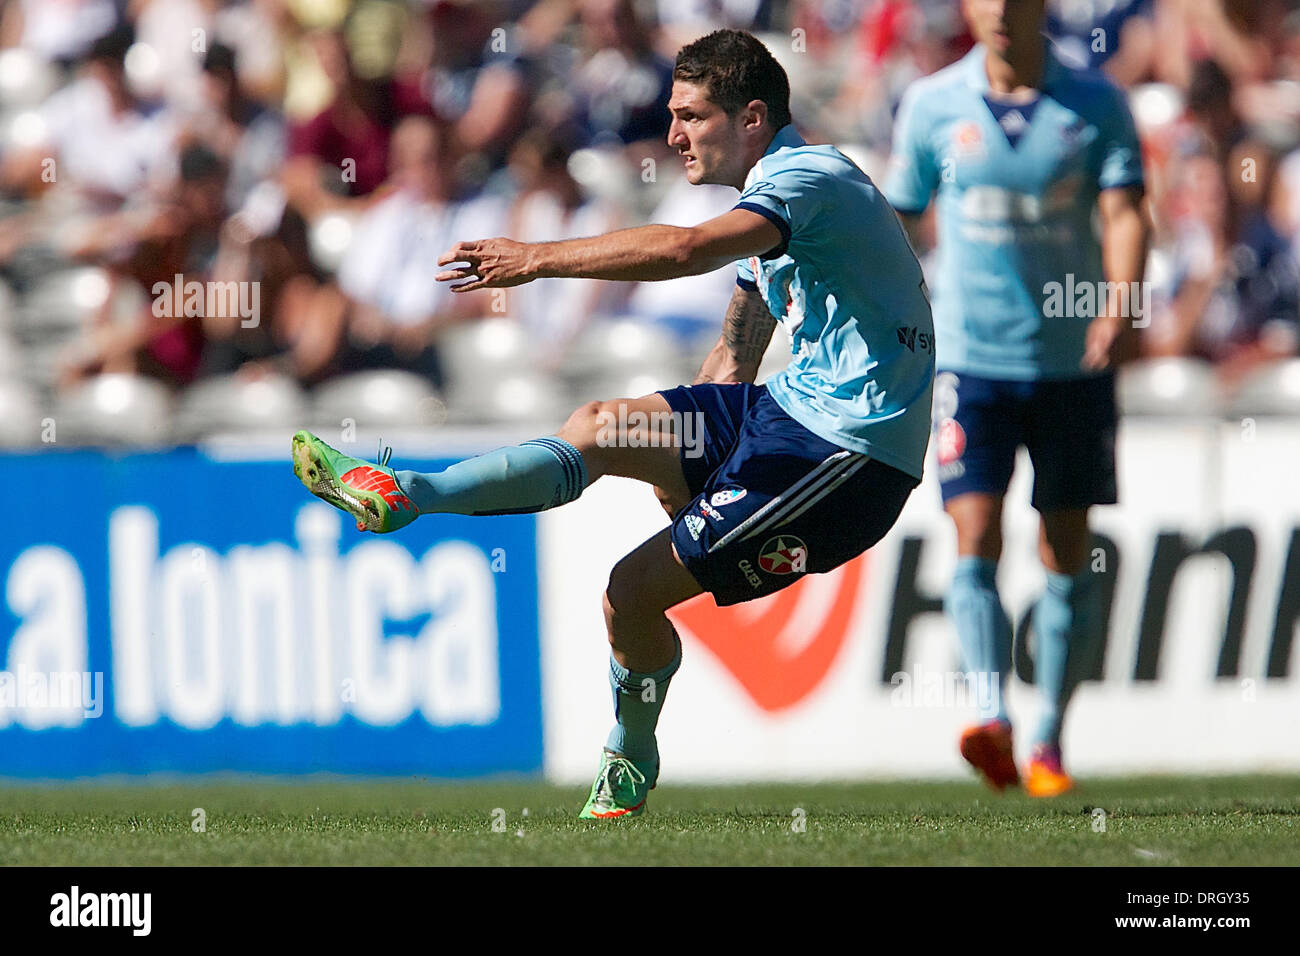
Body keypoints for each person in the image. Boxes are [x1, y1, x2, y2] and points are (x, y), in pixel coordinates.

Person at [291, 29, 934, 817]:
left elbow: (683, 249)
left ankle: (629, 754)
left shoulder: (807, 177)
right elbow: (731, 366)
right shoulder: (775, 207)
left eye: (691, 116)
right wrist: (686, 467)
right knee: (599, 424)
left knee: (628, 590)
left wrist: (536, 259)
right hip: (786, 417)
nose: (673, 136)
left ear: (753, 117)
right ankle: (407, 490)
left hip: (851, 455)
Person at [883, 0, 1150, 797]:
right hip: (971, 362)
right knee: (975, 530)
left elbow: (1125, 208)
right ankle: (993, 714)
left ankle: (1050, 740)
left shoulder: (1095, 103)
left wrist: (1120, 301)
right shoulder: (932, 104)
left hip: (1071, 364)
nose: (1000, 10)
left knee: (1065, 552)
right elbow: (898, 217)